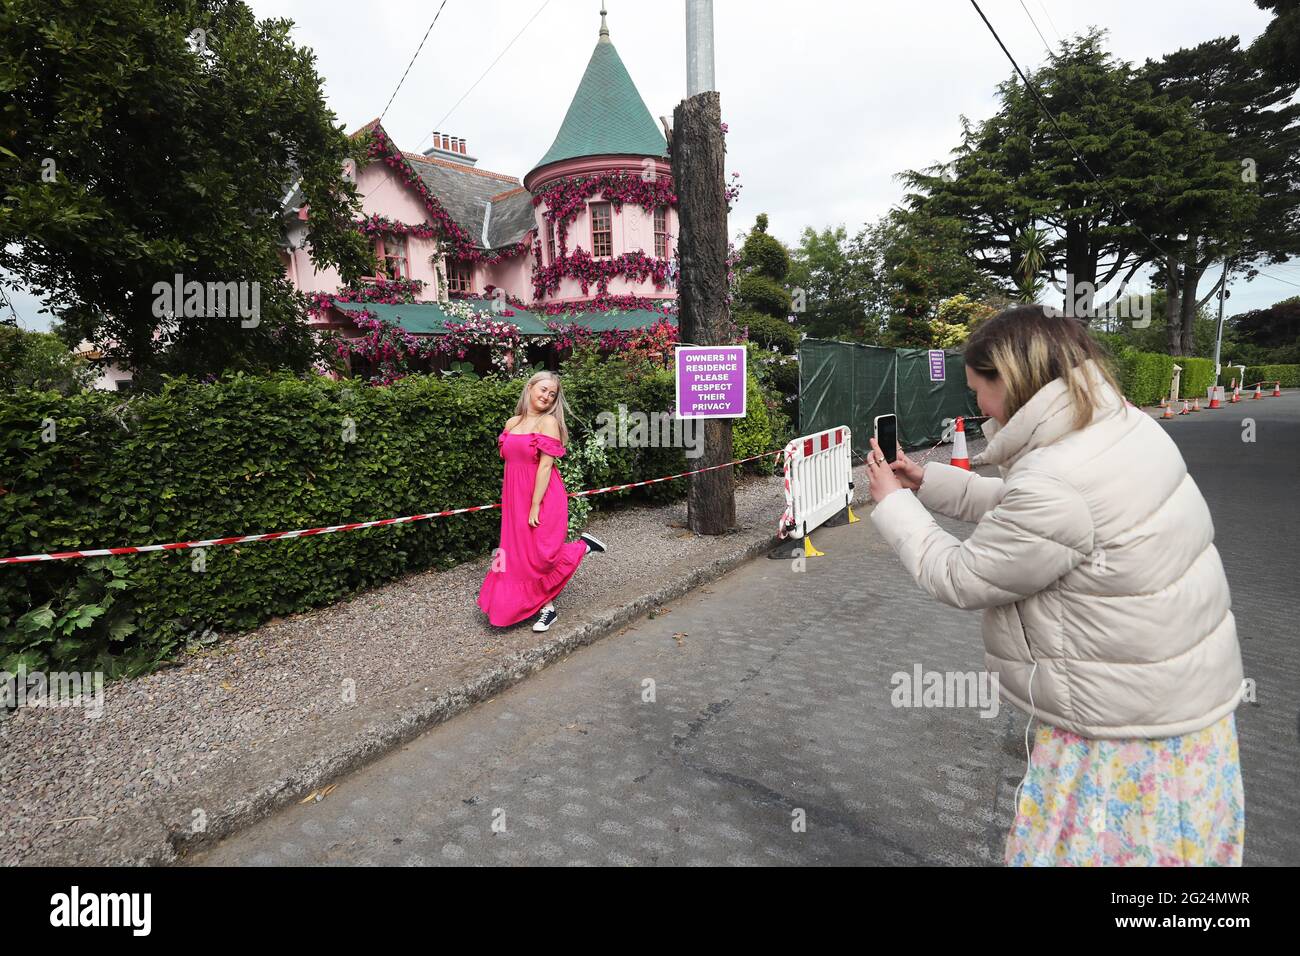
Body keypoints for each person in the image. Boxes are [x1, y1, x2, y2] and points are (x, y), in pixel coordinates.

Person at [865, 305, 1245, 866]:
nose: (978, 405)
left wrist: (893, 504)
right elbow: (1042, 518)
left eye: (979, 390)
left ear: (1013, 383)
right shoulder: (1118, 426)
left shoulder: (1055, 477)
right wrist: (929, 483)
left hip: (1119, 729)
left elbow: (962, 576)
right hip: (1177, 705)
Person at [477, 371, 607, 633]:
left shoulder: (548, 423)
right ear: (530, 387)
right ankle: (546, 608)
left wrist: (534, 504)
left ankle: (581, 549)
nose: (547, 396)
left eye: (552, 394)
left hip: (543, 494)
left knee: (540, 555)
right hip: (515, 495)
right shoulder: (512, 422)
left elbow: (545, 467)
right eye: (544, 389)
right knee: (515, 554)